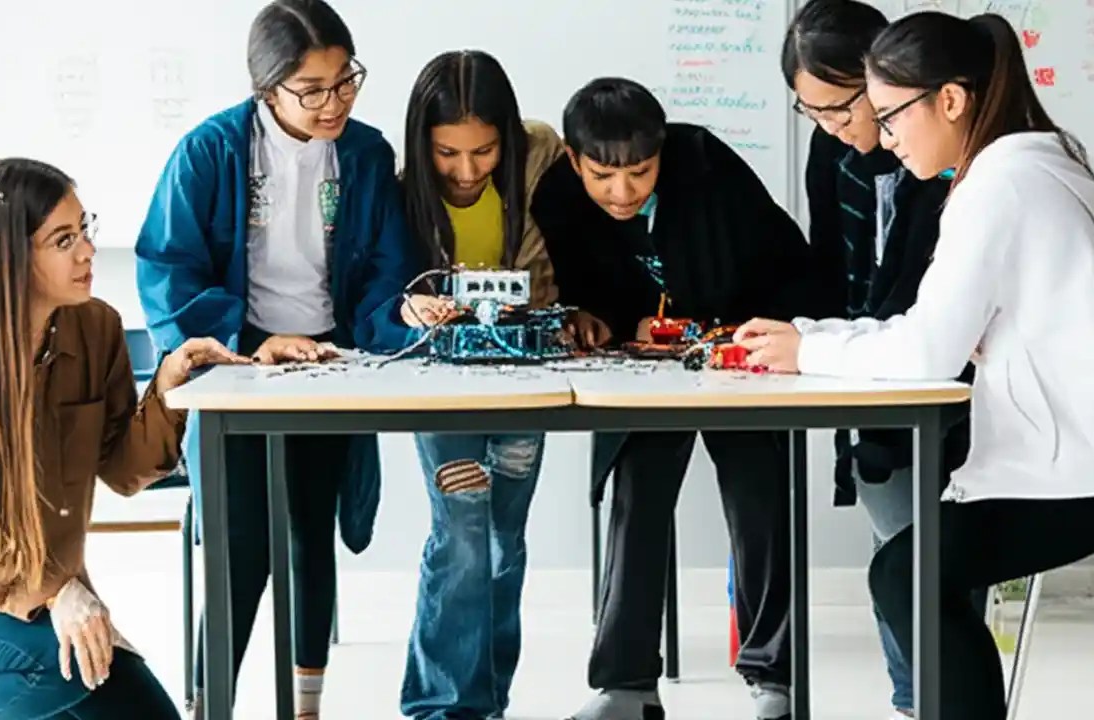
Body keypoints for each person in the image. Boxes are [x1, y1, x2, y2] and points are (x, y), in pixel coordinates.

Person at [737, 12, 1094, 719]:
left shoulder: (996, 188)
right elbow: (930, 329)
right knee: (912, 575)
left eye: (890, 117)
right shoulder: (1026, 167)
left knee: (910, 577)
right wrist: (809, 336)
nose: (885, 139)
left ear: (949, 102)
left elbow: (927, 353)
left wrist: (809, 349)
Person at [0, 157, 243, 720]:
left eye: (84, 227)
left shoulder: (97, 328)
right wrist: (56, 594)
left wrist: (165, 388)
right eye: (63, 239)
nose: (88, 250)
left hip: (41, 596)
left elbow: (122, 471)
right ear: (6, 257)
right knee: (54, 663)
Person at [134, 1, 418, 717]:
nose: (334, 103)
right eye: (312, 89)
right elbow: (168, 265)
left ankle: (306, 706)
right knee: (238, 547)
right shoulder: (212, 149)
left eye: (345, 80)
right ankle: (213, 705)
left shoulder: (366, 152)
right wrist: (247, 343)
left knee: (309, 535)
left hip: (328, 362)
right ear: (267, 88)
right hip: (239, 368)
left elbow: (388, 267)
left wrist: (395, 320)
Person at [530, 77, 819, 720]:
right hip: (645, 371)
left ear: (663, 152)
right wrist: (598, 317)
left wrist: (743, 335)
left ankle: (777, 680)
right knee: (637, 495)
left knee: (759, 495)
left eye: (640, 171)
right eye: (604, 175)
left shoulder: (709, 164)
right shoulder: (555, 193)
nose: (623, 192)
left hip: (741, 357)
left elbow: (784, 261)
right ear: (574, 160)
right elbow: (577, 288)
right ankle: (626, 687)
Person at [780, 2, 980, 716]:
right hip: (863, 366)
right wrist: (815, 343)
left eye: (844, 107)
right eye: (814, 114)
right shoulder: (833, 153)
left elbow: (929, 300)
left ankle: (931, 700)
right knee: (893, 544)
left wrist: (838, 347)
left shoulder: (947, 153)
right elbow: (830, 263)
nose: (835, 127)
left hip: (940, 372)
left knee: (930, 561)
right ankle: (915, 700)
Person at [394, 50, 600, 720]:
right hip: (444, 383)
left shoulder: (542, 156)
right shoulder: (401, 185)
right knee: (460, 531)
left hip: (523, 377)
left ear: (507, 138)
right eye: (447, 154)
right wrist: (411, 307)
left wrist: (576, 313)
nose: (464, 170)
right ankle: (442, 706)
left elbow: (584, 243)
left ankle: (487, 701)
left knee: (504, 540)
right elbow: (381, 285)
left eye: (483, 152)